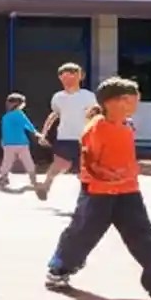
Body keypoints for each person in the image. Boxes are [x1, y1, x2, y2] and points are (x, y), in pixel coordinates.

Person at [45, 77, 151, 300]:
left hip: (128, 191)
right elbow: (90, 160)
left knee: (144, 236)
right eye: (132, 100)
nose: (135, 104)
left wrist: (135, 168)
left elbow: (123, 158)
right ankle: (59, 269)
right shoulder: (96, 128)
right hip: (98, 193)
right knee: (82, 233)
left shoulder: (127, 126)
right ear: (114, 102)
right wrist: (107, 174)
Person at [36, 62, 97, 201]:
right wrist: (44, 133)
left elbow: (95, 115)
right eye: (64, 77)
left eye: (72, 76)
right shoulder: (58, 97)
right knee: (59, 164)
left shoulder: (88, 96)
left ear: (80, 77)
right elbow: (54, 114)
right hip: (64, 136)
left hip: (85, 137)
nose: (68, 80)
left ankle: (87, 196)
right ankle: (45, 187)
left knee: (84, 168)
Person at [0, 92, 45, 190]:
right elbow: (28, 125)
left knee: (7, 162)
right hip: (22, 143)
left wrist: (3, 141)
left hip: (8, 144)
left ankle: (3, 178)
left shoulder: (5, 116)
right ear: (18, 104)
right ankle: (33, 180)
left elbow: (4, 130)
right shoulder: (20, 114)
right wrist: (37, 133)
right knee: (28, 162)